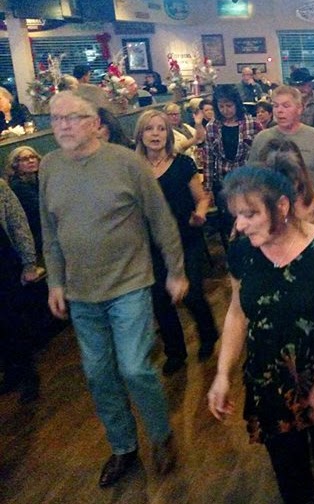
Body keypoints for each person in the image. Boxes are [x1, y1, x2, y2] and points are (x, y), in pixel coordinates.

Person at [40, 90, 185, 487]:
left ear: (94, 121)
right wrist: (54, 281)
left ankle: (160, 436)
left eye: (72, 118)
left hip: (130, 284)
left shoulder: (126, 163)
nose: (63, 126)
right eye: (55, 119)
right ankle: (123, 447)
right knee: (99, 375)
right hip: (81, 293)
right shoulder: (49, 167)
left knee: (136, 368)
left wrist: (176, 270)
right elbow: (50, 232)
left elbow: (161, 219)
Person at [207, 166, 314, 504]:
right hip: (270, 378)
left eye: (250, 214)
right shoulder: (242, 252)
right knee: (289, 472)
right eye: (237, 215)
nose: (239, 224)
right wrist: (223, 373)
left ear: (281, 206)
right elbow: (238, 313)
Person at [134, 110, 219, 373]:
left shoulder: (182, 164)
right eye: (150, 129)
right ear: (141, 135)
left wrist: (201, 214)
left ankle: (207, 335)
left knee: (191, 292)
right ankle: (175, 352)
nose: (156, 134)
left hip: (186, 236)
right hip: (151, 243)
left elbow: (202, 197)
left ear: (168, 134)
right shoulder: (133, 169)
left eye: (161, 129)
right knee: (160, 298)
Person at [250, 85, 314, 233]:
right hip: (273, 214)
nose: (279, 111)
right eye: (275, 106)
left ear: (300, 108)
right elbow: (252, 178)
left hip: (310, 214)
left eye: (286, 106)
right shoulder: (262, 139)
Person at [201, 84, 264, 241]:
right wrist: (207, 188)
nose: (225, 110)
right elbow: (208, 157)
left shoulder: (252, 123)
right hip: (222, 180)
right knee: (227, 221)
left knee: (249, 217)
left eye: (229, 105)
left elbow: (262, 153)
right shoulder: (212, 127)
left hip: (247, 180)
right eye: (221, 106)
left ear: (237, 104)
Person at [0, 177, 41, 404]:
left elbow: (18, 224)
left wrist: (28, 263)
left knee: (13, 321)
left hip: (4, 263)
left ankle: (28, 375)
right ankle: (11, 372)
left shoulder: (1, 187)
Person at [5, 146, 42, 255]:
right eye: (25, 159)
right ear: (15, 165)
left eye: (33, 157)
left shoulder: (38, 179)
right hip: (35, 237)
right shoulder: (17, 185)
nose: (31, 161)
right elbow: (39, 208)